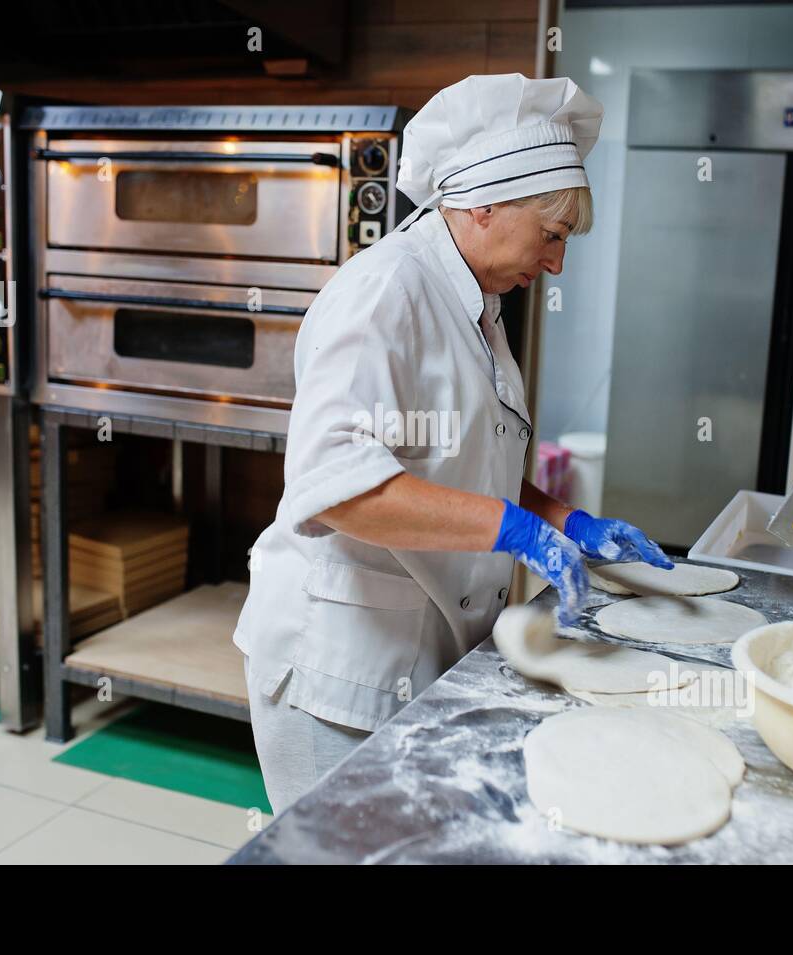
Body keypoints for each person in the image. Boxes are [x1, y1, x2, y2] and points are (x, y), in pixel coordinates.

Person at [233, 73, 672, 814]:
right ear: (485, 203)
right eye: (554, 235)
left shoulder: (478, 307)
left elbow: (471, 463)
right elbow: (334, 483)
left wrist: (569, 523)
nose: (558, 262)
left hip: (415, 658)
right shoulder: (386, 291)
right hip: (337, 674)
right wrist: (513, 529)